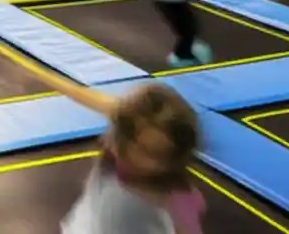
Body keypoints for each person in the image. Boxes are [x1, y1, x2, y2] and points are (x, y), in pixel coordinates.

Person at [19, 63, 206, 234]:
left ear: (173, 159)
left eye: (156, 155)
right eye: (140, 147)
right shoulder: (129, 125)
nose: (148, 162)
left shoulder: (175, 199)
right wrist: (43, 76)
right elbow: (91, 98)